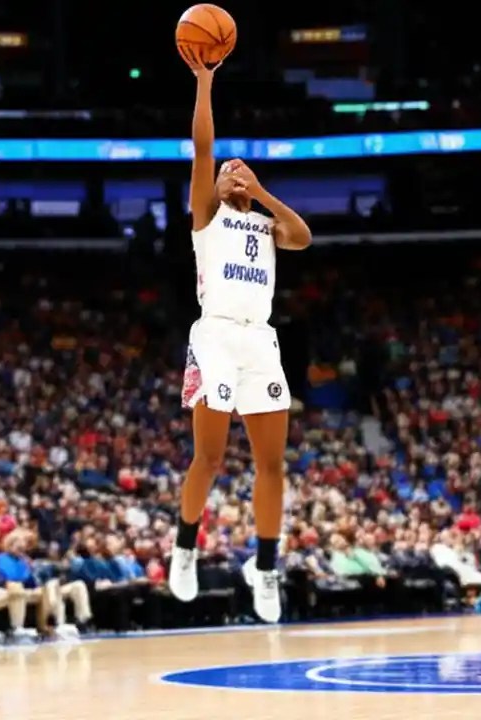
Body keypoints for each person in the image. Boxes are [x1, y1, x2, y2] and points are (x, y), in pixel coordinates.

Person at [169, 43, 313, 624]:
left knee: (272, 464)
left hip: (260, 339)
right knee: (209, 456)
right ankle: (184, 548)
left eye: (239, 169)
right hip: (216, 335)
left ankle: (267, 566)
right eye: (229, 170)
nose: (231, 170)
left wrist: (262, 192)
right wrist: (205, 81)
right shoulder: (207, 212)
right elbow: (203, 145)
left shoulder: (261, 219)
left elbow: (302, 236)